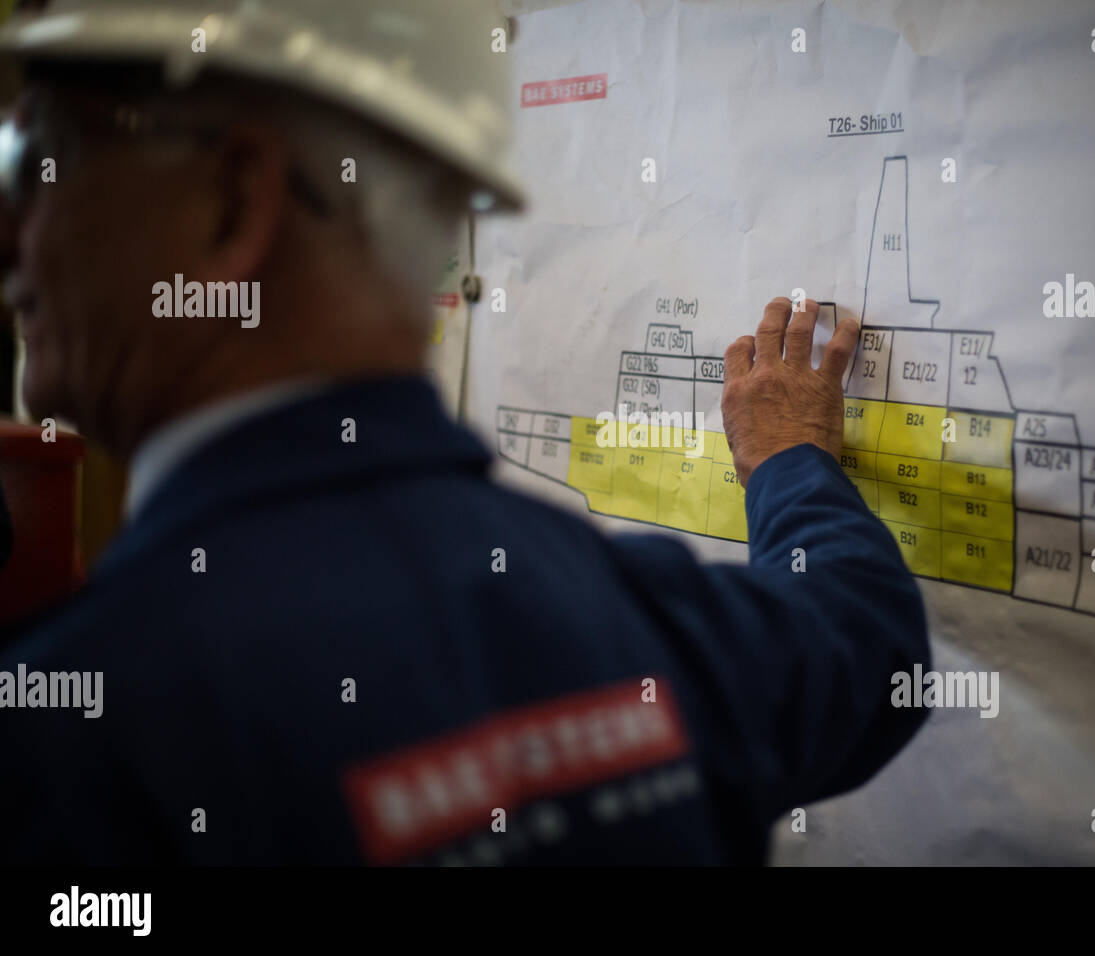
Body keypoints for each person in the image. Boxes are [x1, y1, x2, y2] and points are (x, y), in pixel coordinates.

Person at [0, 0, 929, 864]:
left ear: (235, 202)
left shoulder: (60, 740)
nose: (10, 232)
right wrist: (790, 460)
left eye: (33, 155)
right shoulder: (647, 630)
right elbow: (871, 637)